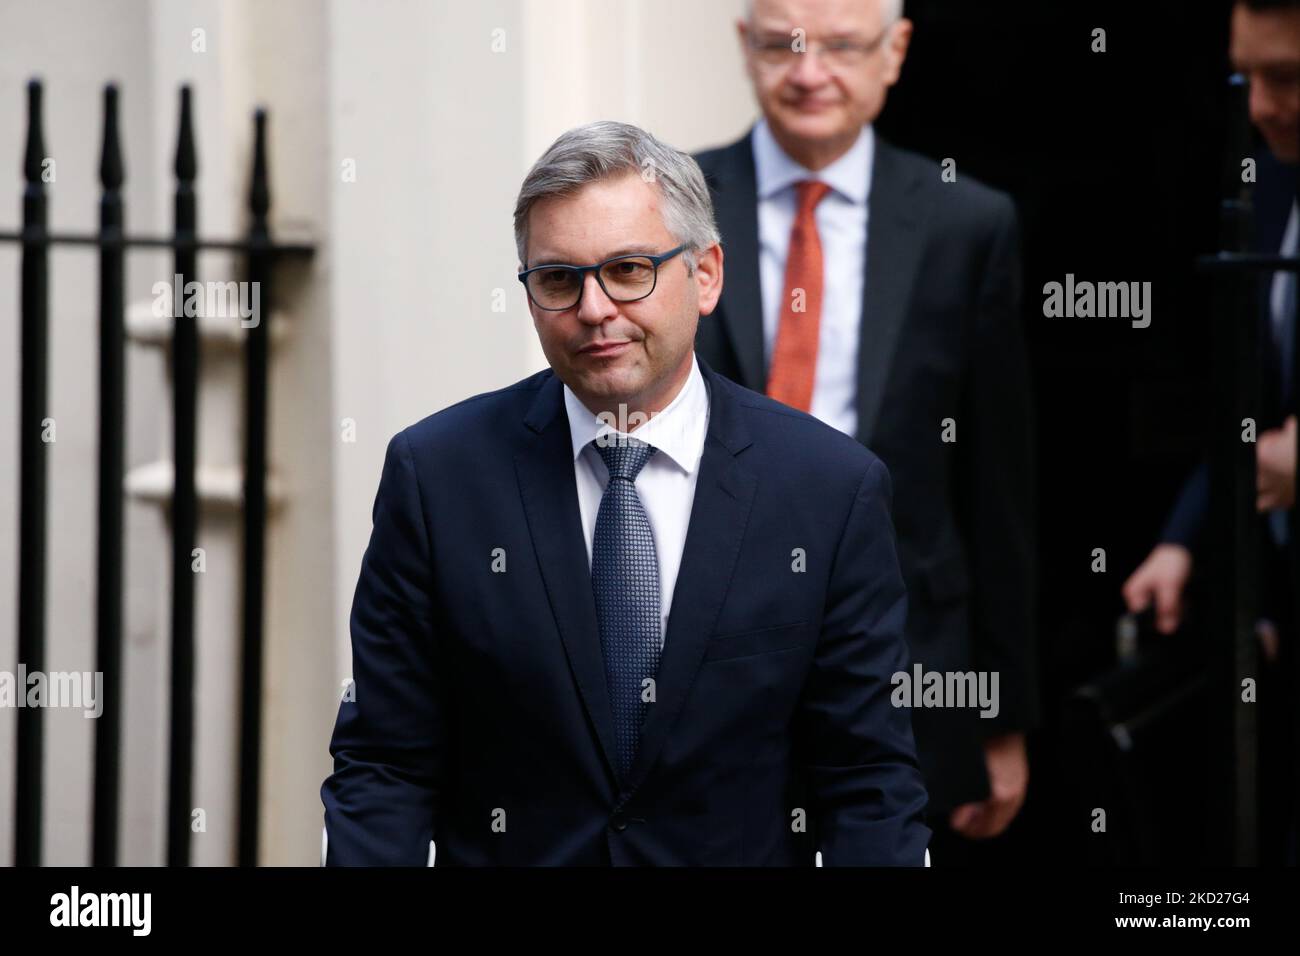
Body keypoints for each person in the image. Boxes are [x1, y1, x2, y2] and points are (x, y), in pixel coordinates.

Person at [321, 120, 932, 865]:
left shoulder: (828, 490)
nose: (595, 308)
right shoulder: (438, 477)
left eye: (629, 269)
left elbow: (867, 783)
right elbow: (384, 767)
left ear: (705, 275)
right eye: (558, 279)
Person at [693, 0, 1038, 855]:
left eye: (842, 47)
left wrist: (1001, 713)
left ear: (896, 52)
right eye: (781, 46)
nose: (809, 74)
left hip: (906, 647)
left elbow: (998, 484)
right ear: (745, 47)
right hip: (703, 647)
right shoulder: (677, 206)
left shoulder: (966, 222)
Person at [1123, 0, 1299, 865]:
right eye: (1249, 76)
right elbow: (1254, 405)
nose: (1263, 106)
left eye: (1289, 77)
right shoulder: (1272, 193)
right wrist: (1186, 539)